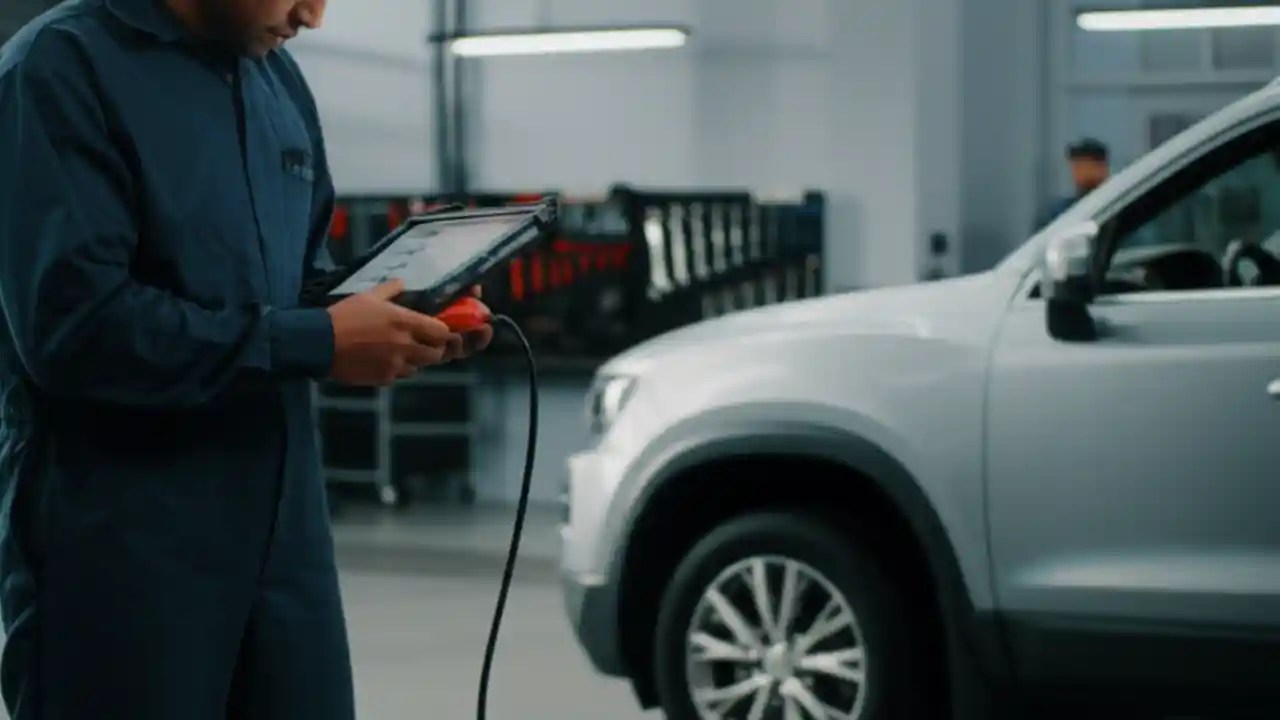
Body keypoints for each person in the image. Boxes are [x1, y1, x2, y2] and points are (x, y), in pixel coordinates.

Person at [0, 0, 493, 717]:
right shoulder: (58, 70)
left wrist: (397, 311)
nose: (313, 16)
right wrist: (318, 341)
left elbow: (297, 288)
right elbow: (75, 330)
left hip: (286, 549)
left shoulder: (277, 81)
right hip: (121, 559)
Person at [1035, 137, 1112, 231]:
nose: (1078, 171)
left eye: (1085, 165)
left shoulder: (1116, 206)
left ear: (1102, 168)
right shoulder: (1060, 213)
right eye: (1076, 165)